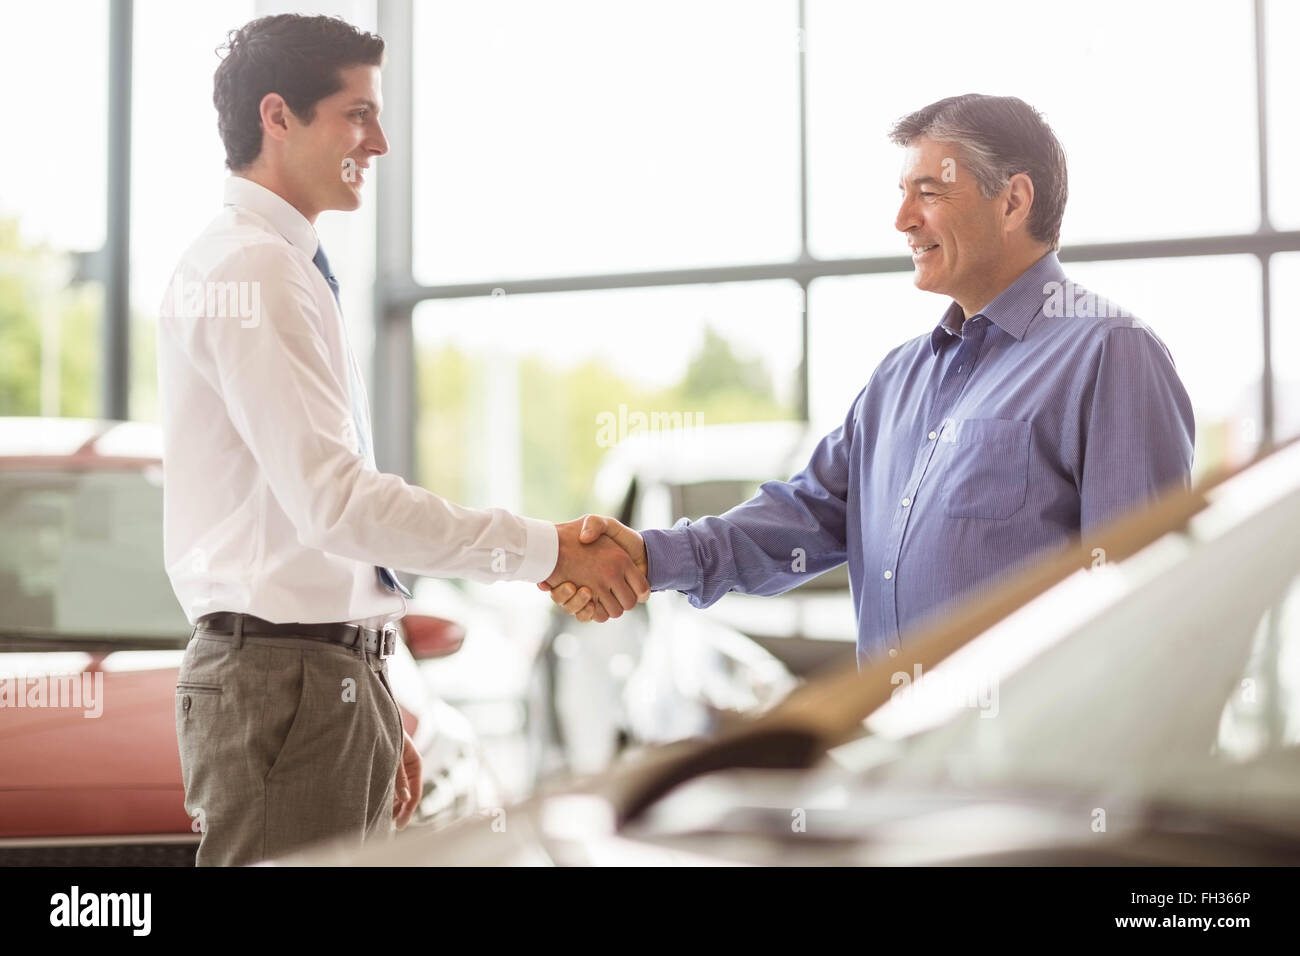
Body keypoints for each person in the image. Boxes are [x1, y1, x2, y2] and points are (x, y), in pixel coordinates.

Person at [158, 13, 647, 866]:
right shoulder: (256, 268)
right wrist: (545, 551)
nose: (378, 141)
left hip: (315, 680)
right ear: (278, 117)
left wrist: (370, 703)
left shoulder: (278, 263)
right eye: (356, 113)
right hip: (291, 681)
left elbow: (308, 518)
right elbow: (337, 504)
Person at [544, 94, 1195, 669]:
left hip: (1032, 789)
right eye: (902, 194)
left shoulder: (1111, 356)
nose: (902, 219)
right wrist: (649, 558)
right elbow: (802, 515)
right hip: (902, 777)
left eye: (928, 192)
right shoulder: (898, 380)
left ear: (1014, 201)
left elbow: (1145, 611)